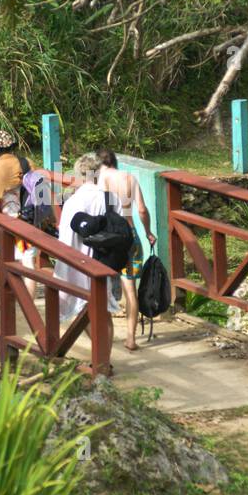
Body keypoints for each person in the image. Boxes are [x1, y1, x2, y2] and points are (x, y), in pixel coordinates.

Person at [95, 147, 157, 351]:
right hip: (130, 235)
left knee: (100, 286)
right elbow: (141, 209)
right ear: (115, 162)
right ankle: (130, 338)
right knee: (130, 290)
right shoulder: (130, 178)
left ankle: (102, 334)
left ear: (101, 164)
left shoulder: (100, 179)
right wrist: (148, 231)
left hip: (107, 239)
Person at [55, 154, 116, 352]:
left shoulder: (74, 201)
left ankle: (100, 359)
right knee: (103, 311)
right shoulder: (109, 198)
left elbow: (65, 237)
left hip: (79, 262)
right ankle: (105, 359)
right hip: (104, 260)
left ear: (79, 174)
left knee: (83, 311)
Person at [0, 129, 38, 297]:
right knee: (28, 260)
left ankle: (1, 299)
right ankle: (30, 301)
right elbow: (38, 189)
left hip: (5, 224)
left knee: (3, 260)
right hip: (27, 220)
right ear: (12, 147)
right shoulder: (27, 163)